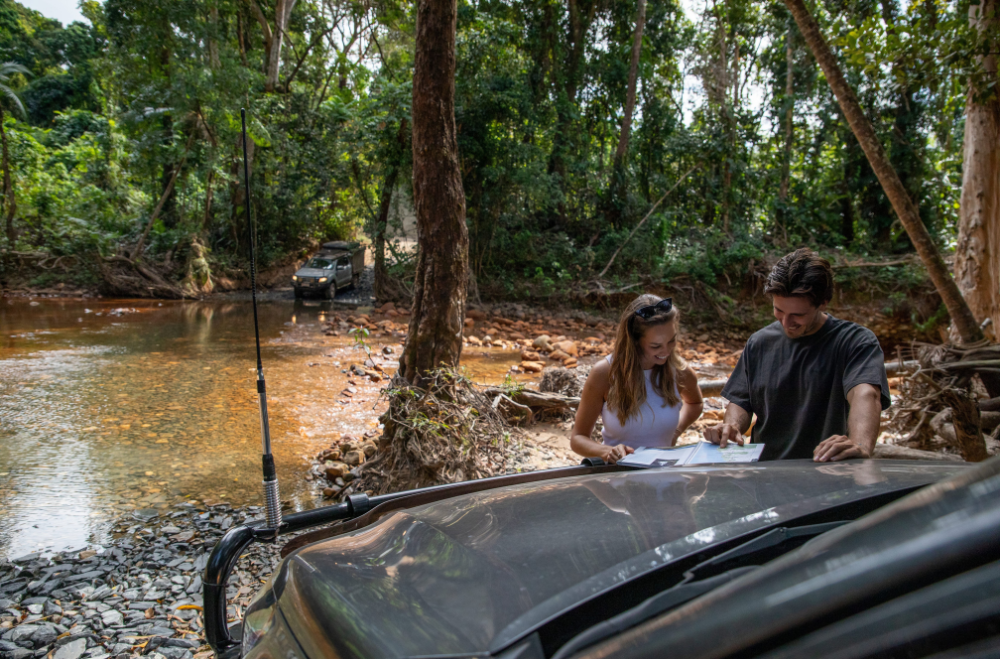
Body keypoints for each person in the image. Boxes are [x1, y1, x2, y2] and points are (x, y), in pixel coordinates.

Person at [705, 248, 890, 462]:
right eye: (779, 311)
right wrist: (732, 427)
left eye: (798, 315)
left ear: (823, 303)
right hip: (765, 473)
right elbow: (741, 401)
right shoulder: (759, 343)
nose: (786, 323)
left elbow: (865, 394)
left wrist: (860, 444)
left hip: (829, 469)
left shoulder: (855, 341)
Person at [572, 294, 704, 464]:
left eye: (672, 341)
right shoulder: (604, 373)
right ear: (634, 340)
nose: (666, 351)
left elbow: (695, 403)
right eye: (656, 346)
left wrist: (676, 433)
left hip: (663, 475)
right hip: (617, 475)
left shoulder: (679, 371)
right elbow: (578, 438)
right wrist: (607, 451)